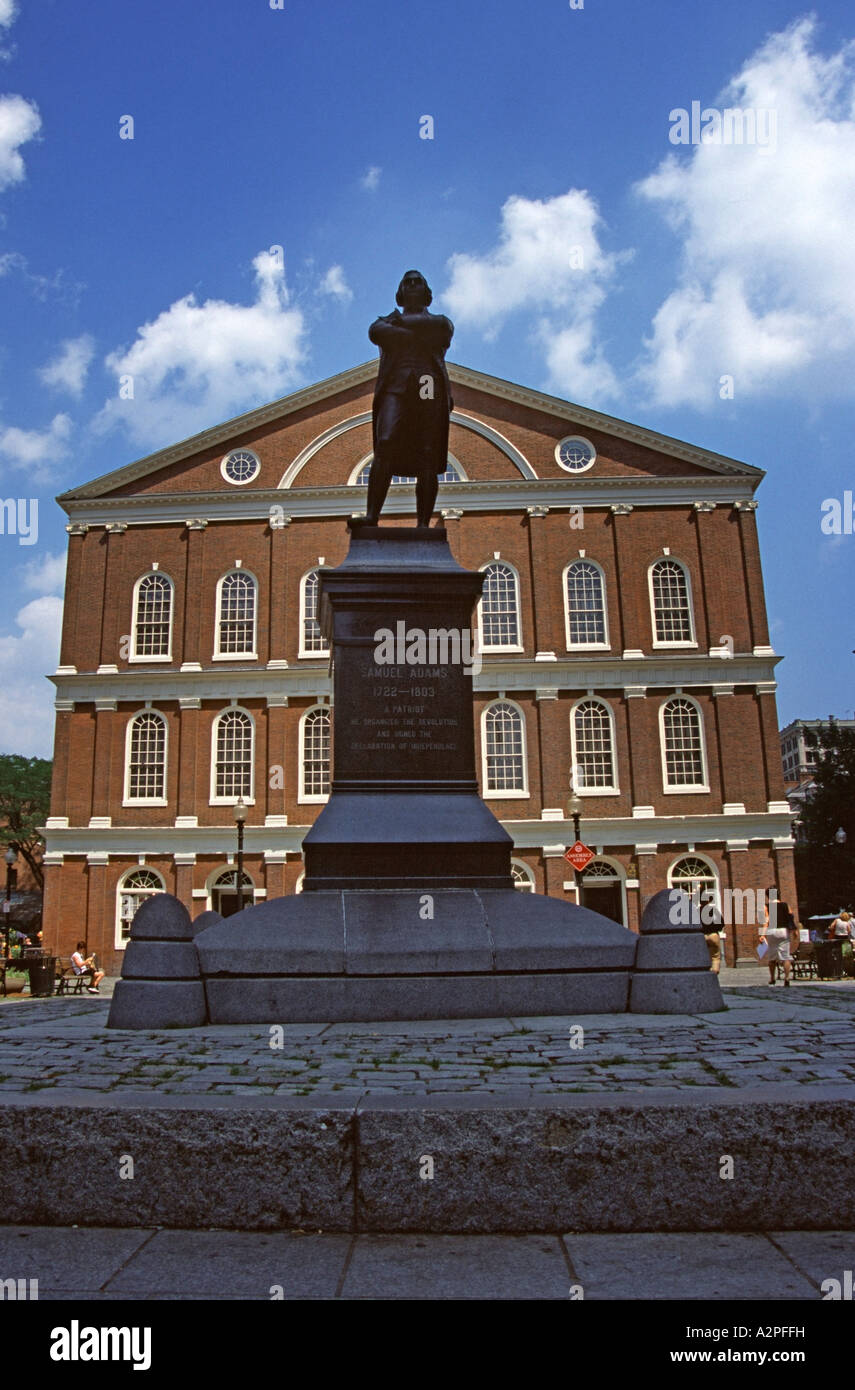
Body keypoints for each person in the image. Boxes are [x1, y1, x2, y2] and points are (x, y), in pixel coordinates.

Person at [366, 270, 454, 527]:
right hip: (396, 386)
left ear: (427, 293)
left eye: (418, 282)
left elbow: (441, 329)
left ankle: (424, 525)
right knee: (385, 441)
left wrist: (399, 325)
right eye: (408, 282)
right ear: (400, 293)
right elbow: (375, 332)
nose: (413, 285)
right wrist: (414, 331)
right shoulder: (386, 325)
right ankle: (372, 516)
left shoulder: (439, 321)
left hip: (428, 385)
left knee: (428, 450)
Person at [758, 890, 799, 987]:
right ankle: (787, 978)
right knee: (785, 957)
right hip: (783, 931)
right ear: (778, 895)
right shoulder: (785, 905)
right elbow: (790, 919)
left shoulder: (765, 907)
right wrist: (794, 931)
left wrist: (762, 935)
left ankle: (772, 978)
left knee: (772, 957)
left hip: (772, 931)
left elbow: (765, 923)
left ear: (768, 896)